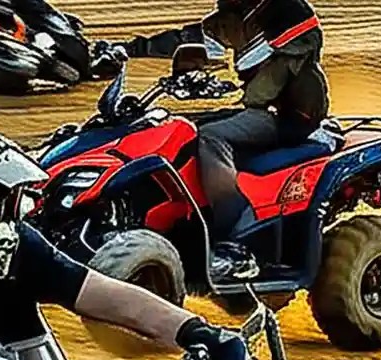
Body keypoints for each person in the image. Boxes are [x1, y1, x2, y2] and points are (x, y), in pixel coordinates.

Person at [0, 126, 250, 360]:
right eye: (2, 205)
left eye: (11, 204)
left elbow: (100, 293)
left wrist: (192, 330)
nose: (14, 217)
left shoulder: (19, 248)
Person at [115, 0, 330, 281]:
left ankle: (235, 235)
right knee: (181, 128)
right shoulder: (236, 16)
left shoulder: (287, 10)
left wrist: (224, 92)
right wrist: (129, 49)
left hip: (289, 115)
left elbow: (272, 81)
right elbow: (191, 38)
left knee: (211, 136)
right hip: (261, 107)